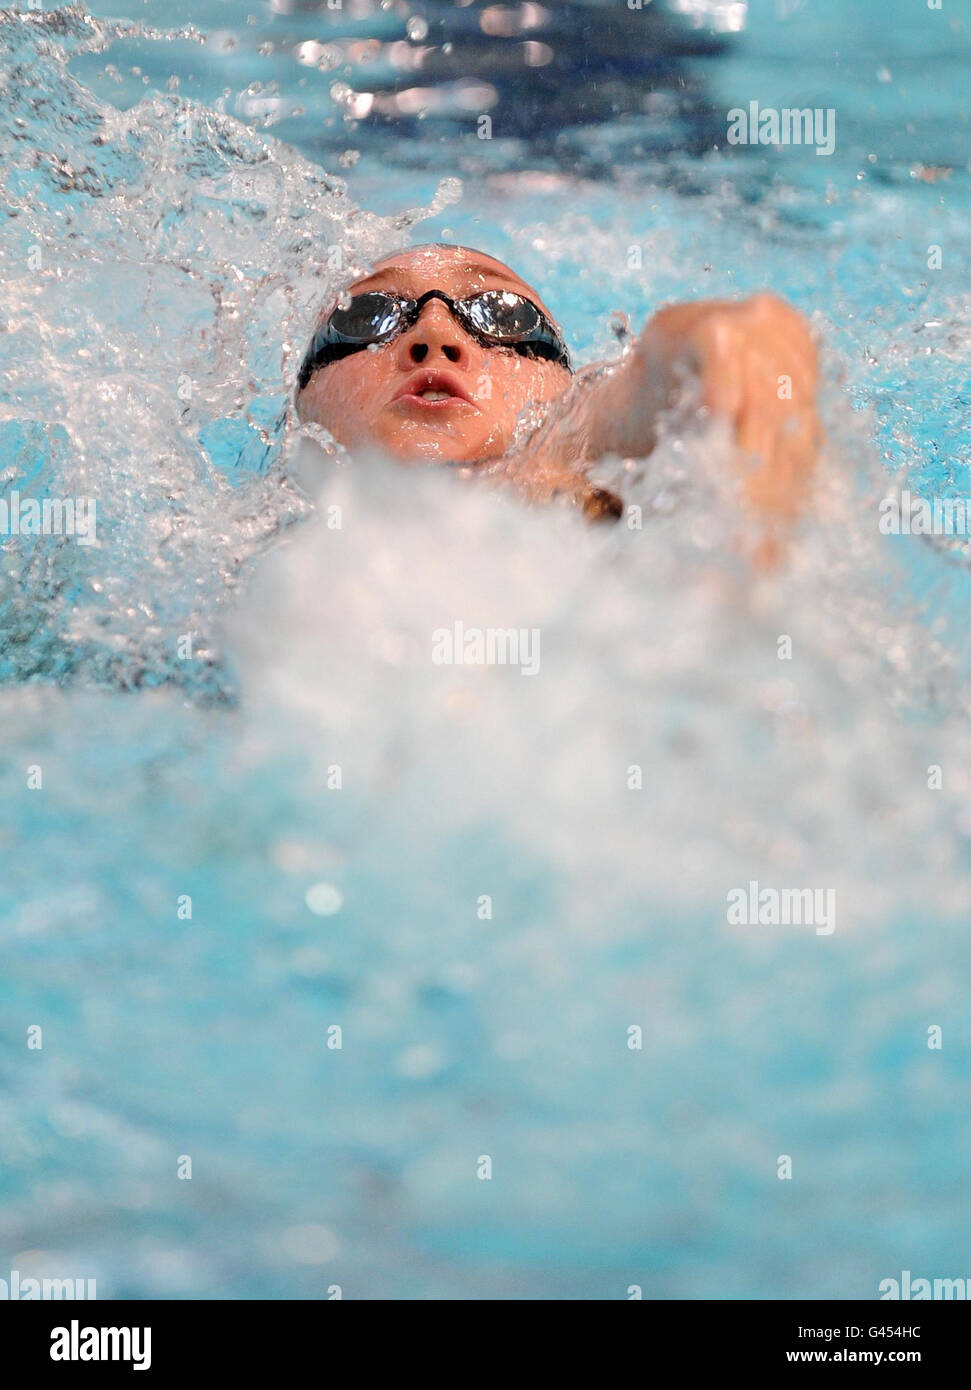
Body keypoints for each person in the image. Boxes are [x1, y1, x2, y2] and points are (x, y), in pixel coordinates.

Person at [295, 243, 821, 555]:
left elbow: (647, 386)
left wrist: (723, 340)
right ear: (300, 402)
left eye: (503, 315)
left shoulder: (565, 470)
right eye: (365, 315)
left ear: (562, 391)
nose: (435, 333)